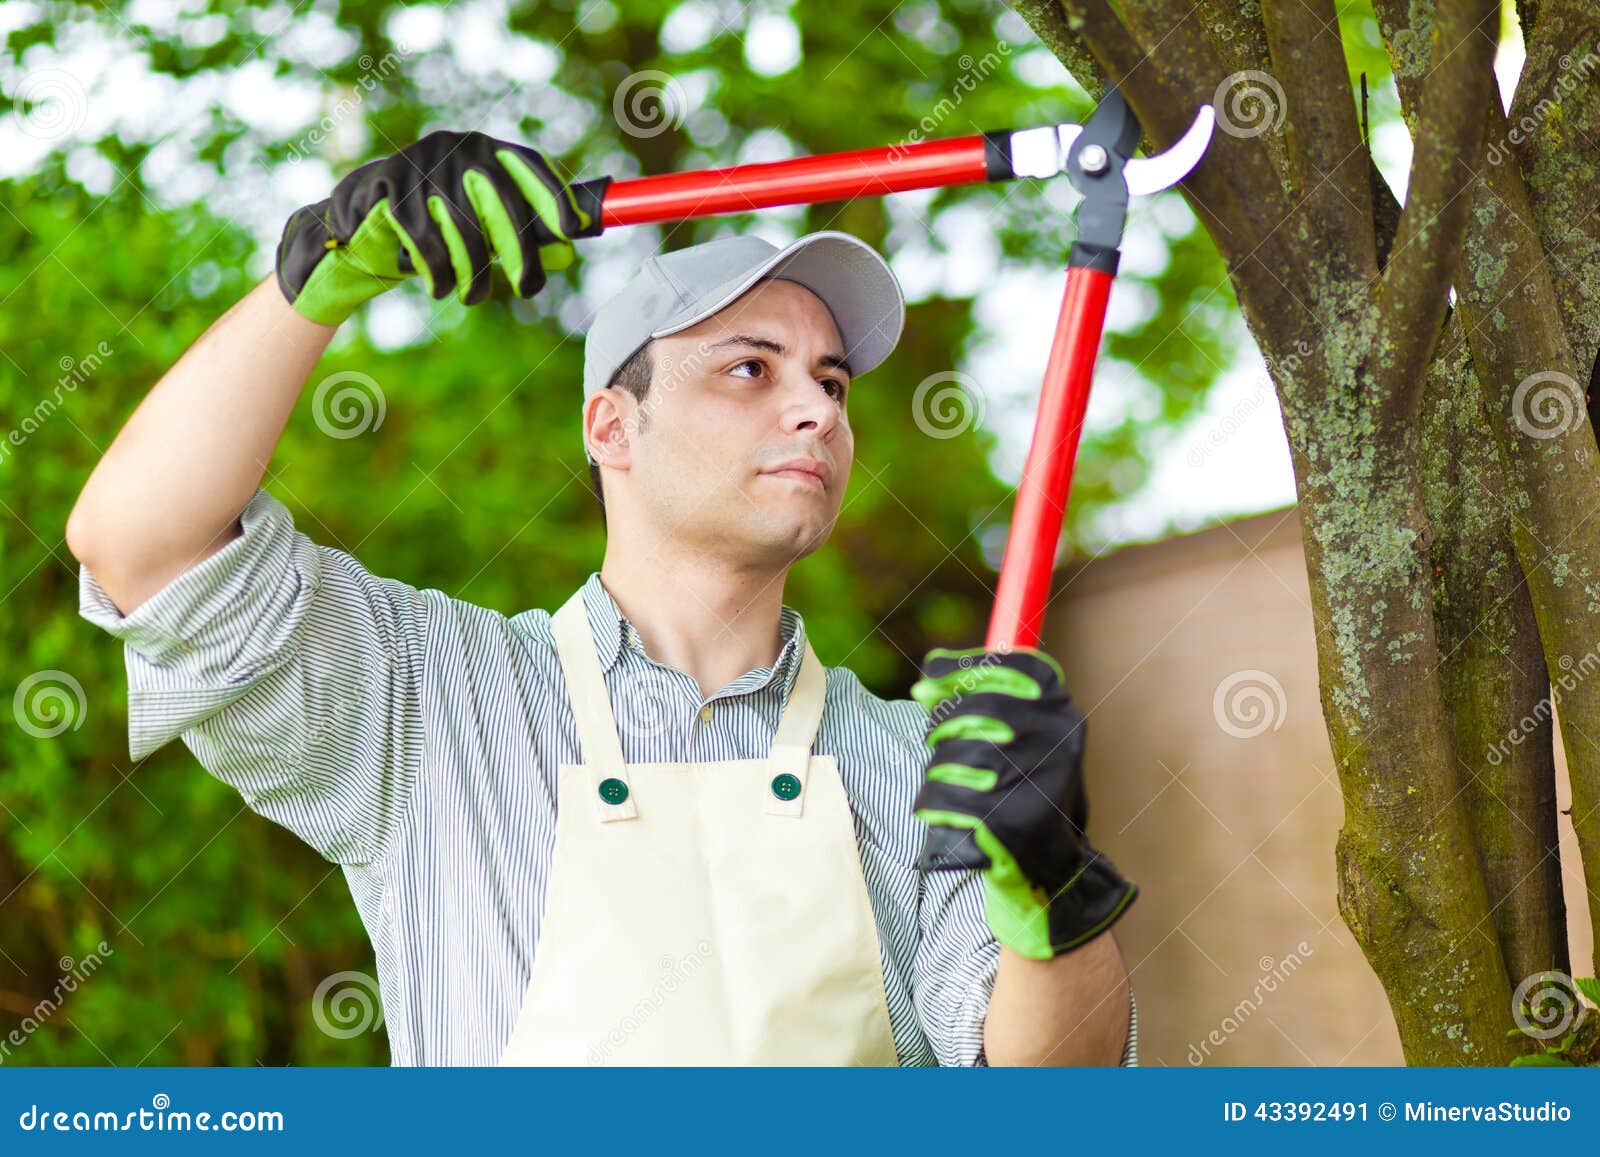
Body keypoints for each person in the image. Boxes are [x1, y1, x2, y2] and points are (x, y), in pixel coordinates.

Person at [68, 130, 1139, 1066]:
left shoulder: (927, 765)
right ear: (612, 427)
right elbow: (141, 547)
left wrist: (1053, 884)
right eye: (750, 368)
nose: (816, 409)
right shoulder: (431, 697)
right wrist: (323, 278)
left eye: (831, 381)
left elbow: (1055, 1096)